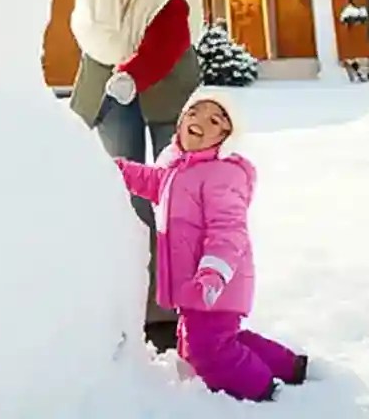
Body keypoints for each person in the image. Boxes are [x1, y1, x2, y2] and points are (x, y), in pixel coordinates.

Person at [46, 0, 205, 352]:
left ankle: (165, 311)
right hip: (104, 65)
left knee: (167, 192)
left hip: (160, 78)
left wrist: (133, 76)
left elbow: (166, 42)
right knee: (121, 186)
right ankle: (117, 298)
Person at [114, 90, 308, 402]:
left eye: (214, 119)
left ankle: (263, 390)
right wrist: (116, 169)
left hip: (215, 284)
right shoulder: (176, 172)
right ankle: (288, 365)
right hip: (195, 287)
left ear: (224, 136)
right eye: (194, 113)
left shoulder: (222, 174)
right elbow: (149, 181)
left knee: (209, 354)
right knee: (212, 341)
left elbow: (229, 231)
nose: (200, 120)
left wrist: (213, 274)